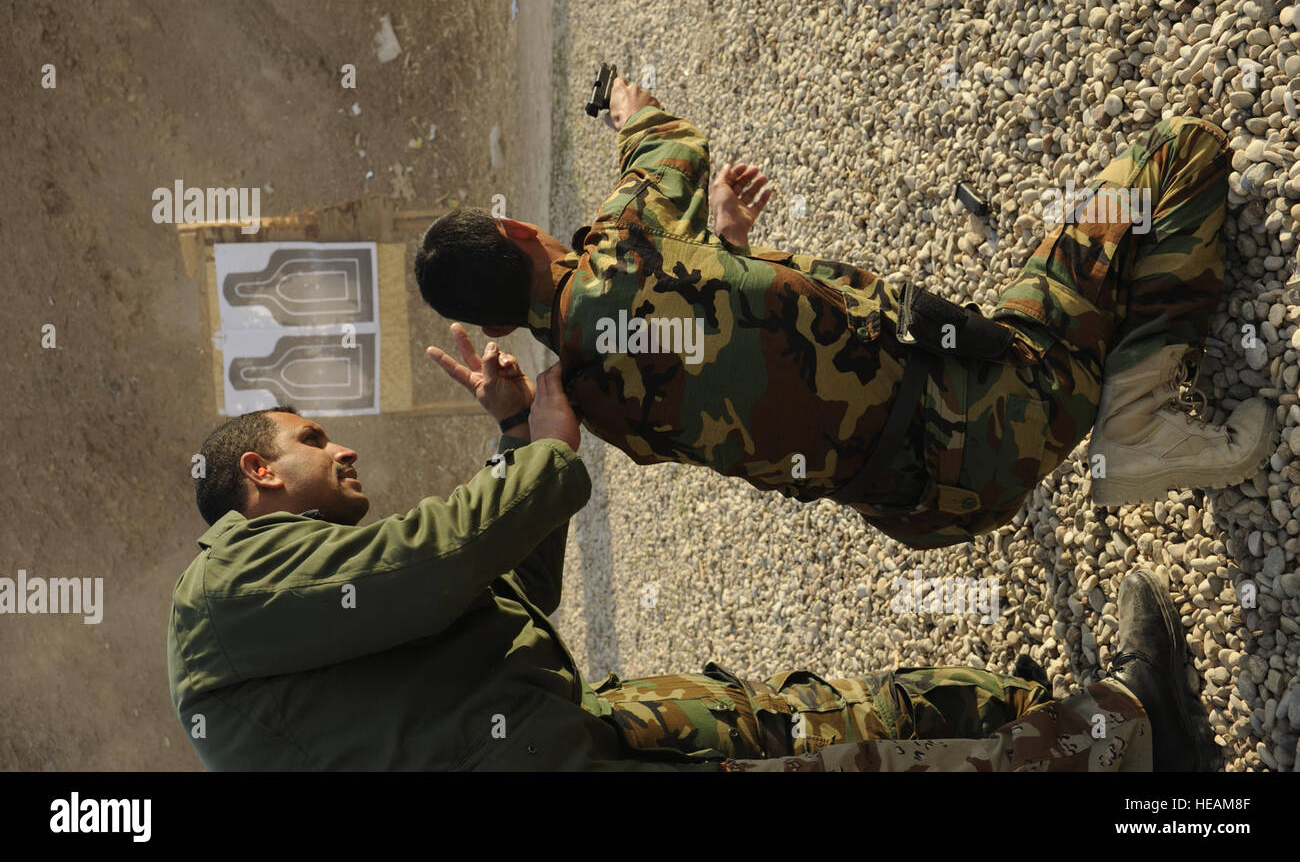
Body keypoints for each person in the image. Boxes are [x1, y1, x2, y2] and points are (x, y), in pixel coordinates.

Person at [169, 332, 1215, 771]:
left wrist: (509, 444)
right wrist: (547, 458)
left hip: (579, 739)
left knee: (816, 720)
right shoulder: (224, 591)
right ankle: (1135, 734)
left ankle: (1051, 716)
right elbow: (421, 566)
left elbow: (489, 593)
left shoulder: (280, 610)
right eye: (311, 440)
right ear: (259, 476)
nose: (339, 445)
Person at [413, 78, 1273, 549]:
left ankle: (1105, 385)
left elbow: (708, 368)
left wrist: (729, 250)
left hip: (928, 511)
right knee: (1175, 157)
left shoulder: (585, 402)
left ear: (494, 329)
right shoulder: (620, 250)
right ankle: (1134, 425)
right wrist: (627, 107)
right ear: (519, 227)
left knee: (1075, 295)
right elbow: (673, 147)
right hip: (1002, 408)